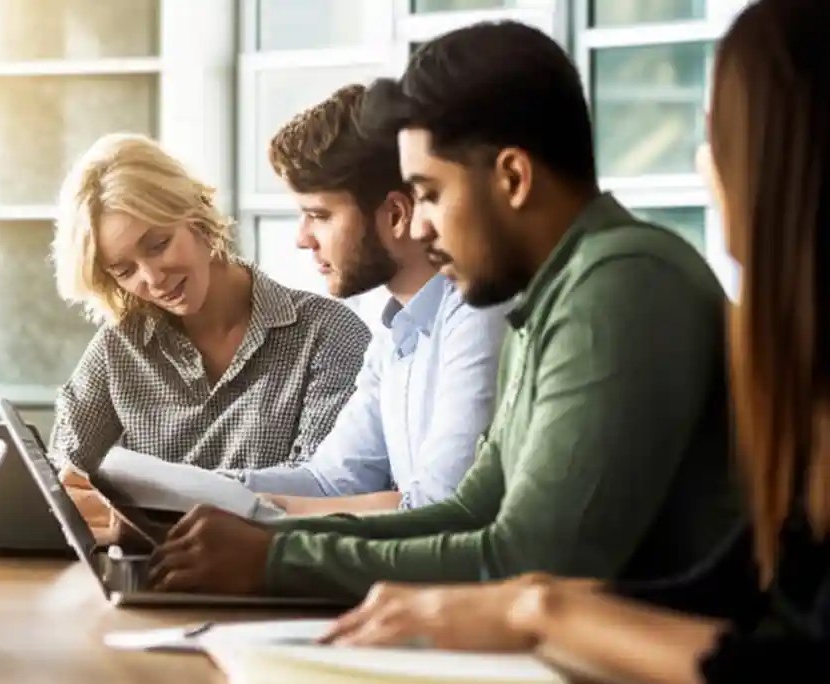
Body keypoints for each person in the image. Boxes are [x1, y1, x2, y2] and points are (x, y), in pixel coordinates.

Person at [316, 2, 830, 684]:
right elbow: (732, 597)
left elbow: (787, 666)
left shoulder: (625, 281)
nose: (704, 164)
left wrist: (542, 609)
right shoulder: (546, 300)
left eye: (722, 137)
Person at [146, 21, 743, 602]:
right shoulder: (557, 294)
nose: (420, 224)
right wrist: (259, 541)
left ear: (512, 177)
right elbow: (468, 513)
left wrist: (276, 559)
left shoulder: (620, 283)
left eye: (430, 193)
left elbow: (527, 560)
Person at [49, 133, 371, 492]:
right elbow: (62, 478)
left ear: (195, 216)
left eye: (158, 245)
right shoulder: (119, 349)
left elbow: (322, 490)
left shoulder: (327, 335)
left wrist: (158, 494)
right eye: (125, 271)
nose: (153, 279)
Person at [240, 83, 505, 515]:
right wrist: (181, 490)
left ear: (397, 216)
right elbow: (329, 480)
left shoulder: (478, 313)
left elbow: (438, 511)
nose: (302, 239)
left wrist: (247, 511)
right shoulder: (395, 329)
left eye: (319, 216)